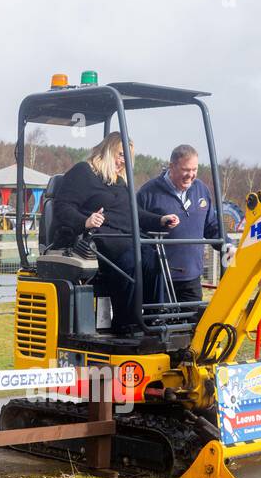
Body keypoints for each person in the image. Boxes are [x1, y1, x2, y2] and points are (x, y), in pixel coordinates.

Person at [51, 132, 164, 332]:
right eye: (120, 155)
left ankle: (155, 318)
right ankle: (127, 322)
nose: (123, 161)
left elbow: (136, 214)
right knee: (131, 260)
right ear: (108, 150)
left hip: (126, 237)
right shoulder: (83, 172)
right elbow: (62, 207)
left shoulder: (120, 182)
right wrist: (85, 221)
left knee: (152, 258)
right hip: (95, 239)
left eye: (127, 158)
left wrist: (161, 220)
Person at [137, 144, 231, 303]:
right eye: (186, 170)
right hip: (159, 279)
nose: (191, 175)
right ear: (172, 166)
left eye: (195, 170)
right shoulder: (149, 192)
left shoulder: (201, 190)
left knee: (192, 326)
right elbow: (137, 226)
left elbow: (211, 226)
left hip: (191, 278)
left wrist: (227, 245)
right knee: (159, 324)